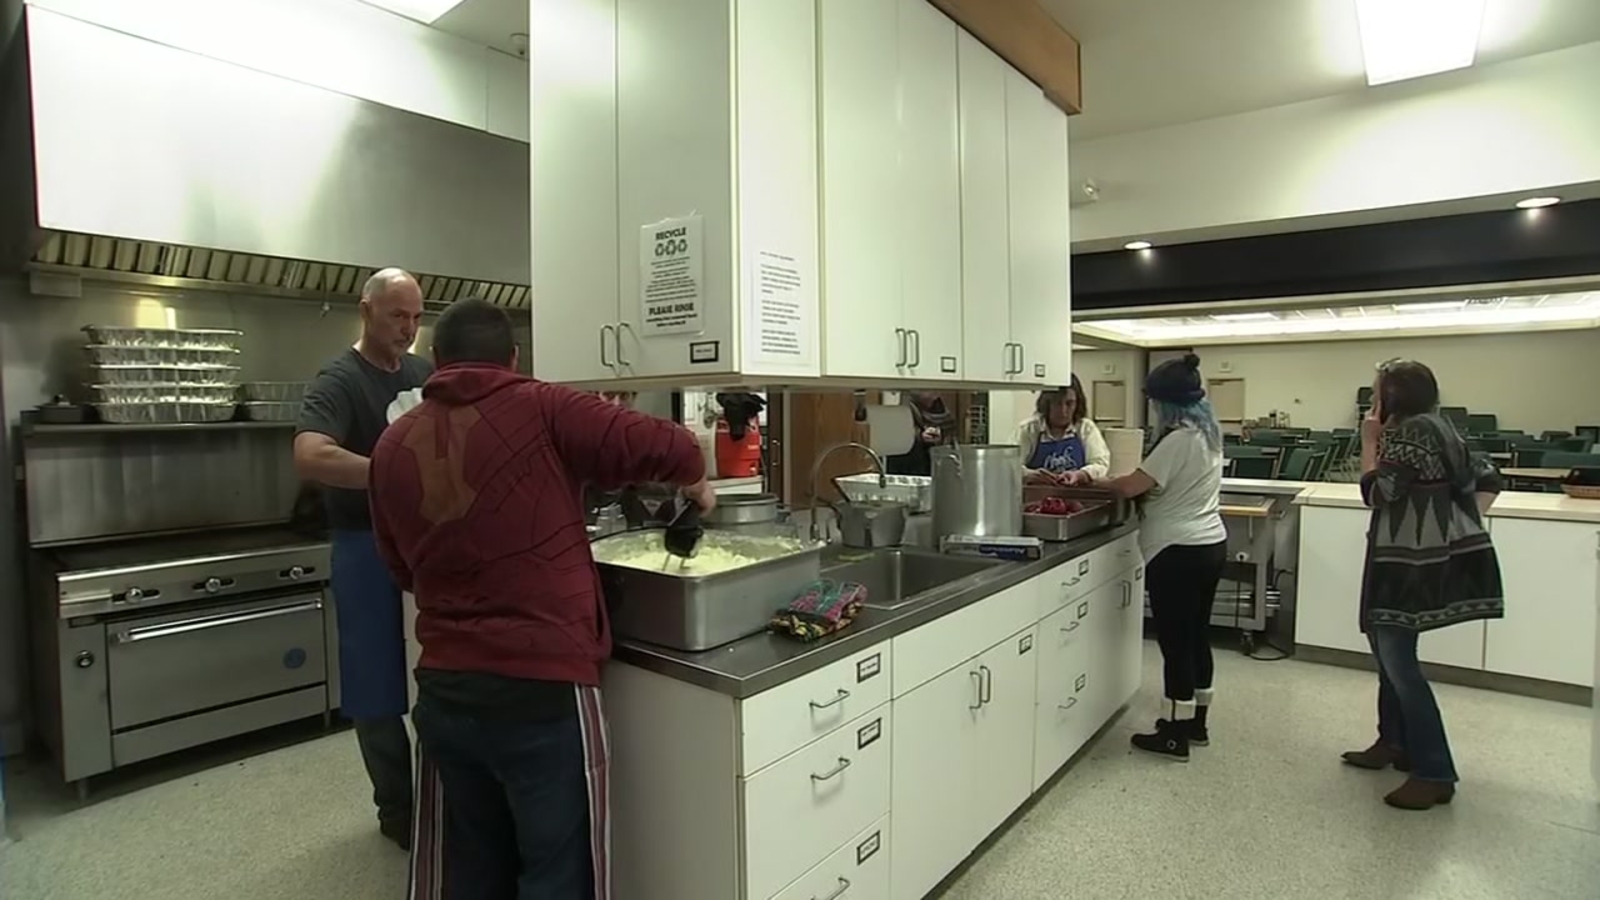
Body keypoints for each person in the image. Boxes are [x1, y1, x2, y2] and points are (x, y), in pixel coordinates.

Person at [368, 297, 715, 898]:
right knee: (556, 870)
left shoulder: (391, 446)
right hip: (543, 690)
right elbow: (676, 448)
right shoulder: (545, 404)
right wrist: (697, 485)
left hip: (447, 687)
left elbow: (401, 569)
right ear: (513, 358)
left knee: (472, 869)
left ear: (436, 361)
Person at [294, 267, 430, 849]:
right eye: (398, 315)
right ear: (366, 309)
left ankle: (440, 802)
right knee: (375, 690)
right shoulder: (339, 380)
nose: (408, 328)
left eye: (416, 317)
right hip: (364, 547)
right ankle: (397, 809)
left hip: (423, 546)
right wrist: (387, 472)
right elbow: (310, 455)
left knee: (434, 678)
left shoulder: (424, 374)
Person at [1341, 359, 1503, 811]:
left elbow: (1377, 493)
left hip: (1405, 564)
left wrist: (1368, 442)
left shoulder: (1412, 432)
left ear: (1392, 397)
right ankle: (1393, 741)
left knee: (1400, 665)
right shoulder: (1439, 426)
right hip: (1406, 557)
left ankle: (1434, 771)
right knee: (1387, 653)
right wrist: (1454, 525)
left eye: (1377, 391)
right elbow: (1489, 478)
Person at [1091, 354, 1226, 761]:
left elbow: (1133, 486)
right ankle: (1197, 723)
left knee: (1175, 644)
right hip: (1210, 545)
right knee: (1197, 636)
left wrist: (1097, 482)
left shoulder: (1178, 439)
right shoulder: (1209, 435)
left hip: (1177, 552)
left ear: (1166, 403)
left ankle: (1173, 734)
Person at [1016, 375, 1111, 486]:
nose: (1063, 411)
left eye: (1069, 403)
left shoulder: (1086, 428)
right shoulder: (1028, 429)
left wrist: (1081, 474)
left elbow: (1100, 463)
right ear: (1047, 403)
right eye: (1057, 403)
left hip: (1077, 494)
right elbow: (1010, 466)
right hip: (1038, 494)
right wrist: (1030, 475)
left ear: (1077, 403)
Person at [886, 392, 955, 476]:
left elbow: (951, 443)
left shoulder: (944, 413)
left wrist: (940, 439)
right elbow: (896, 439)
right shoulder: (903, 410)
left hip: (937, 472)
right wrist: (920, 437)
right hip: (908, 470)